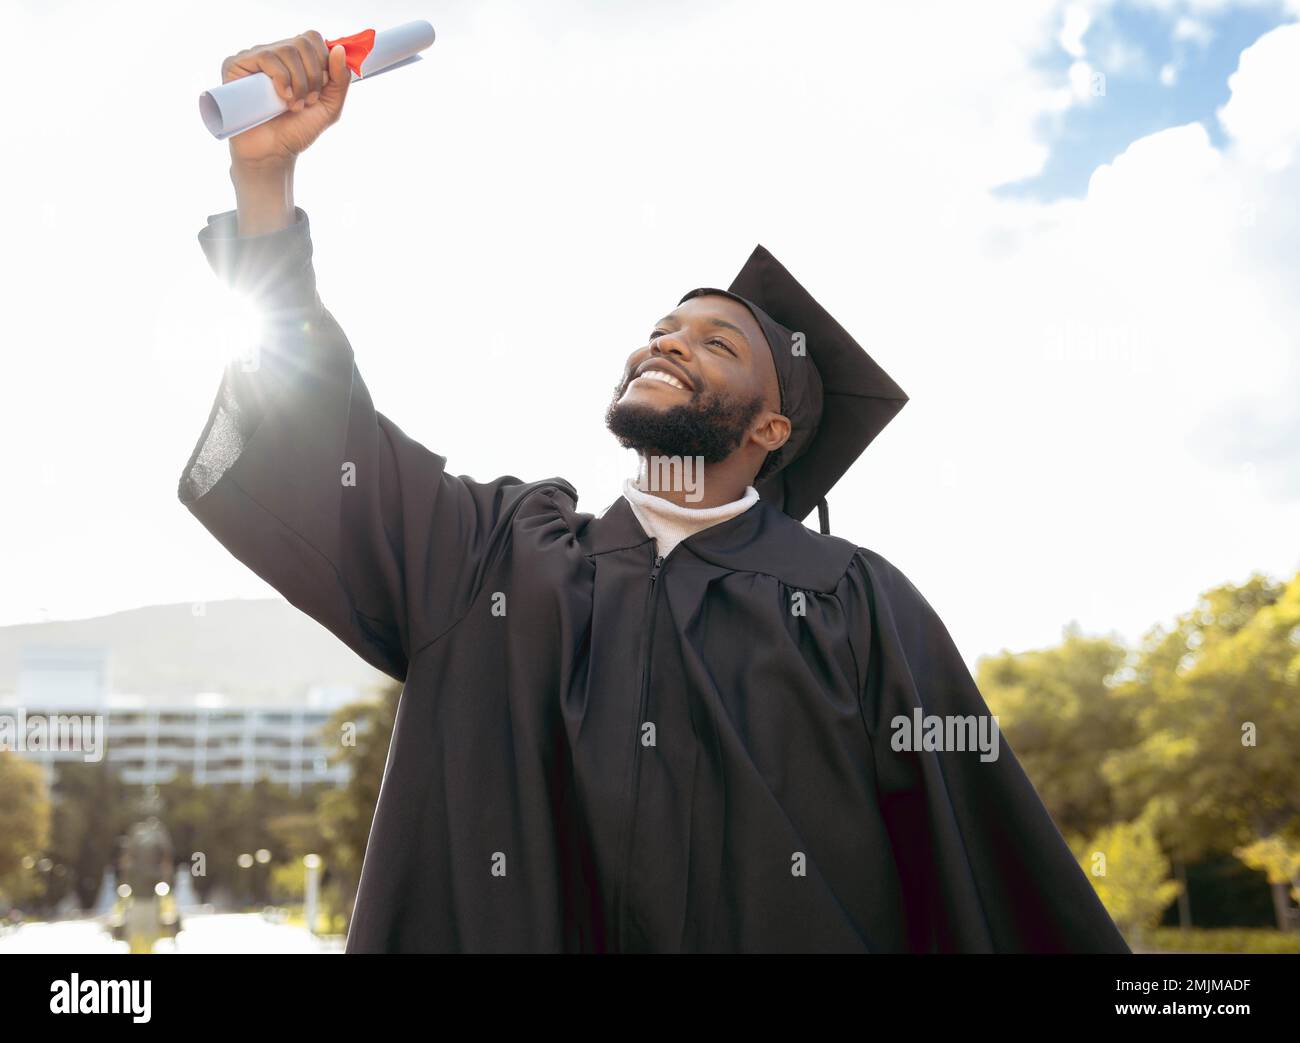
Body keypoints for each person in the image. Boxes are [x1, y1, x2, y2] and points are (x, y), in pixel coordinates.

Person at [179, 31, 1132, 954]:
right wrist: (265, 183)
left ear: (770, 429)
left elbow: (990, 872)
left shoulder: (856, 603)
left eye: (717, 342)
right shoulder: (498, 557)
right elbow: (317, 435)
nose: (667, 342)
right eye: (663, 329)